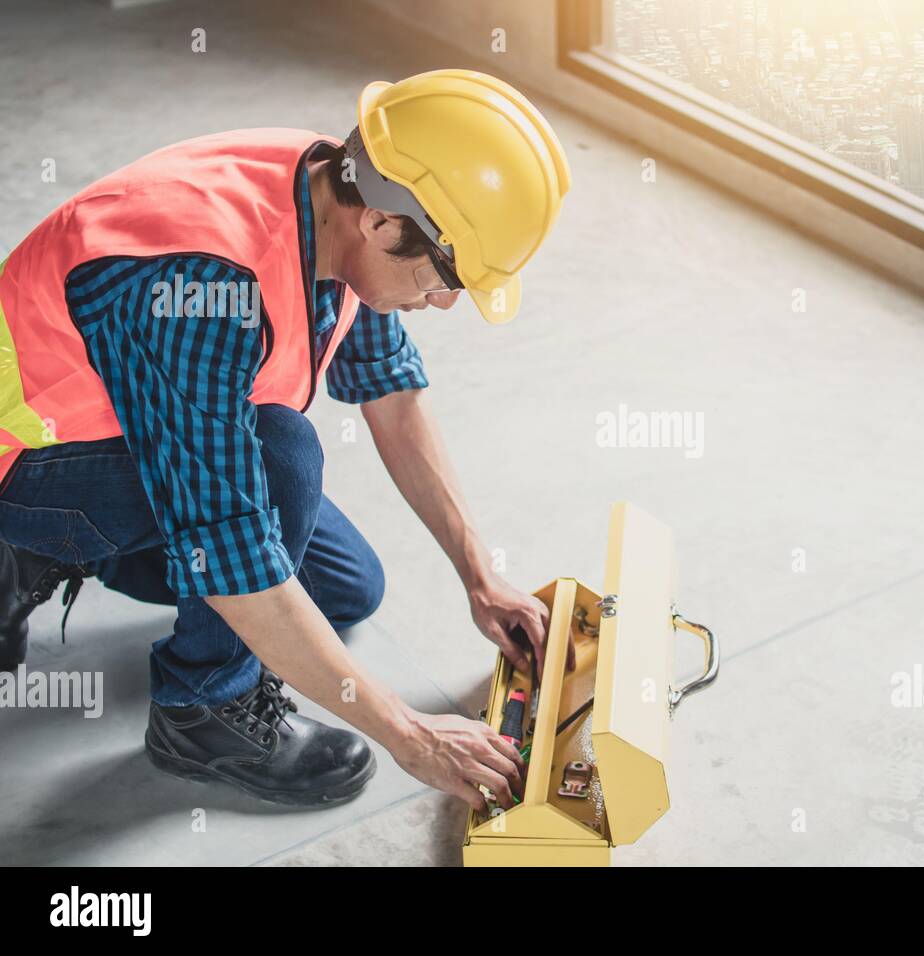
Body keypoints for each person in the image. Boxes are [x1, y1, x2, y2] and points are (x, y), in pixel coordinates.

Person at [0, 69, 571, 810]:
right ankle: (200, 710)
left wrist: (478, 573)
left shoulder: (342, 191)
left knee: (345, 588)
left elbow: (391, 396)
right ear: (381, 224)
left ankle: (116, 544)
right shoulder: (201, 284)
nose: (447, 300)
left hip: (147, 432)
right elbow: (233, 550)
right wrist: (411, 734)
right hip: (30, 463)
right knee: (280, 458)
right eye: (448, 274)